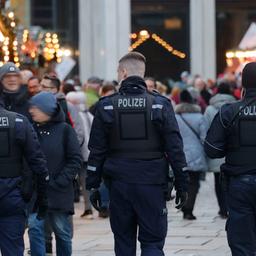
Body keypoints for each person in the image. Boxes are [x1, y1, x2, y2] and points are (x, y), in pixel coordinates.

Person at [86, 52, 189, 256]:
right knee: (152, 242)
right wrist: (183, 182)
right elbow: (175, 147)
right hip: (151, 183)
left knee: (124, 242)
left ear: (123, 72)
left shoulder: (106, 105)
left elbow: (96, 150)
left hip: (119, 184)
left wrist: (92, 185)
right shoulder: (160, 104)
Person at [204, 62, 256, 255]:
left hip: (239, 183)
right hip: (239, 181)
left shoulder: (229, 111)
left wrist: (230, 146)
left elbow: (212, 149)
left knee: (242, 242)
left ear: (242, 84)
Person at [0, 71, 48, 256]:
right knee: (13, 250)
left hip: (14, 194)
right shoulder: (19, 122)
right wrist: (40, 199)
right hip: (13, 195)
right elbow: (38, 163)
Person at [28, 91, 82, 256]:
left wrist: (60, 180)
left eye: (35, 108)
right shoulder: (30, 130)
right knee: (34, 228)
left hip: (59, 192)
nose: (31, 111)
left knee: (62, 232)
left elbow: (75, 159)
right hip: (36, 192)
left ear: (47, 109)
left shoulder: (65, 130)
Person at [204, 82, 235, 218]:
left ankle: (222, 208)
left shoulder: (210, 109)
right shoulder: (236, 107)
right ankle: (229, 206)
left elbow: (206, 130)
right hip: (232, 152)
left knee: (218, 181)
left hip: (216, 150)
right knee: (232, 181)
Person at [175, 90, 208, 220]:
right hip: (196, 154)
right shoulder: (199, 117)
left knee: (181, 181)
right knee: (194, 183)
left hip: (180, 154)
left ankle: (183, 204)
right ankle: (189, 209)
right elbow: (204, 137)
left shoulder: (175, 117)